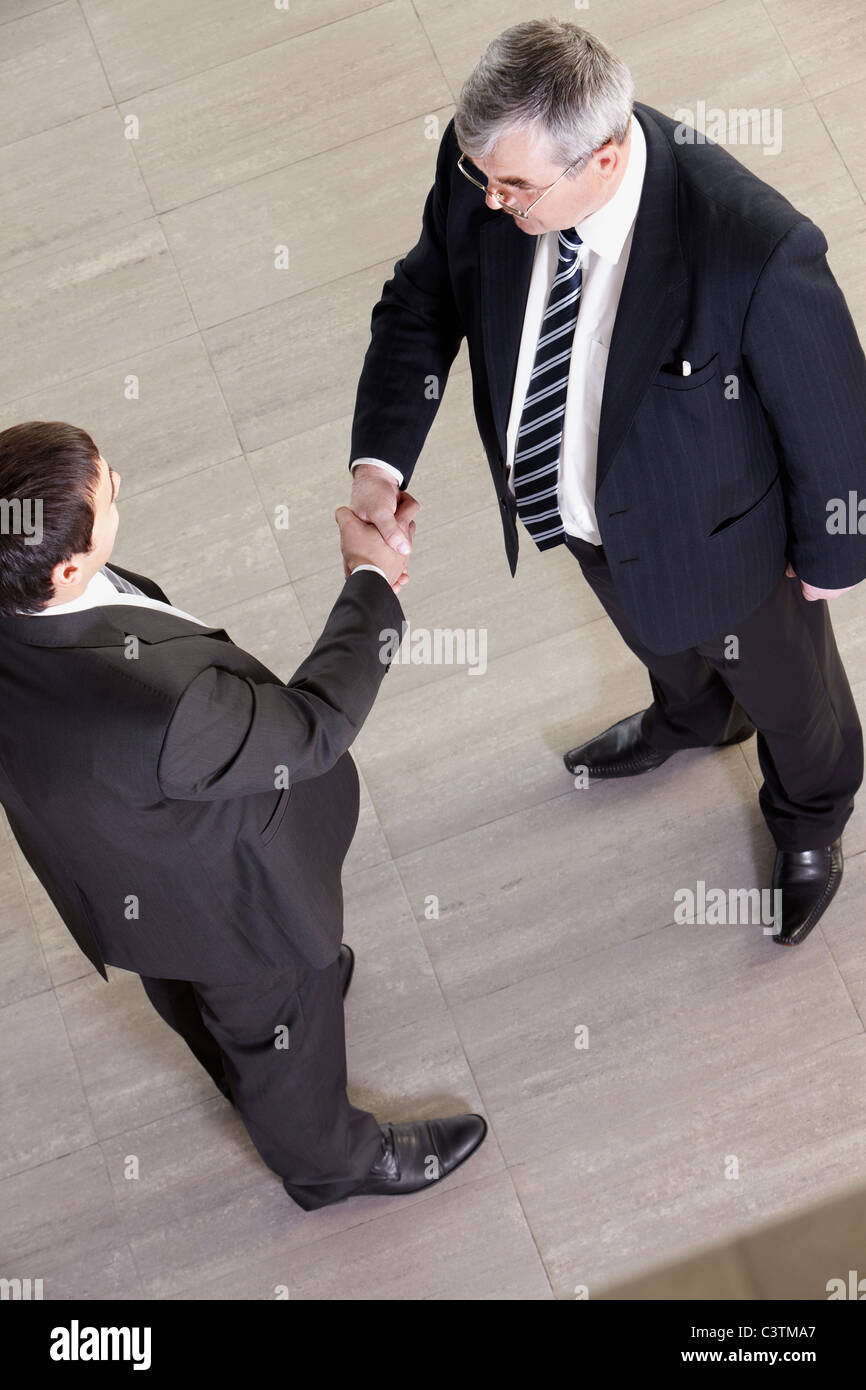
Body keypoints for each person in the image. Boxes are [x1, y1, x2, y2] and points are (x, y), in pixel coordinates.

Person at [347, 19, 866, 945]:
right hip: (585, 517)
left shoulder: (753, 245)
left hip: (730, 545)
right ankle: (697, 719)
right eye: (486, 181)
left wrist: (834, 554)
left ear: (606, 155)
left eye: (518, 188)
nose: (495, 202)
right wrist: (381, 466)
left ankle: (813, 815)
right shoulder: (485, 166)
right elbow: (425, 298)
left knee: (799, 700)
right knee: (659, 641)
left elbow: (831, 411)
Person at [0, 419, 486, 1211]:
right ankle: (328, 1164)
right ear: (62, 568)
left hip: (119, 868)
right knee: (273, 1033)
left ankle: (265, 1033)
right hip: (230, 905)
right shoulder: (163, 707)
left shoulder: (15, 583)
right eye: (108, 489)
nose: (119, 483)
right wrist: (372, 581)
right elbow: (311, 727)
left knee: (197, 996)